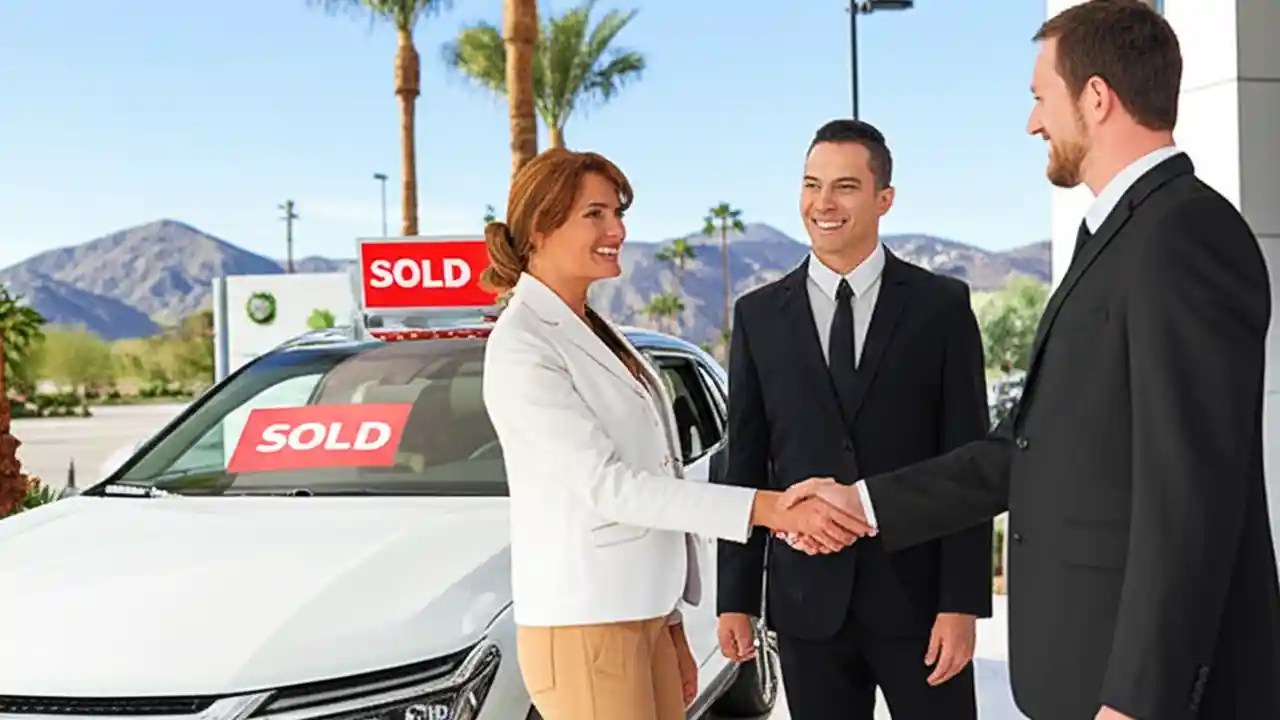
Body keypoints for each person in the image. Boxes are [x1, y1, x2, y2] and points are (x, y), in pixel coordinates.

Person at [784, 2, 1280, 719]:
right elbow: (1027, 449)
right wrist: (861, 502)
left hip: (1138, 697)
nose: (1032, 123)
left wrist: (1137, 700)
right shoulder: (1123, 236)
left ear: (1097, 98)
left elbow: (1191, 497)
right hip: (1088, 677)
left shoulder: (1183, 237)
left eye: (1041, 97)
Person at [479, 147, 869, 720]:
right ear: (540, 226)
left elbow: (655, 468)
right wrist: (770, 508)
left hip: (640, 614)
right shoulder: (523, 344)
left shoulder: (592, 327)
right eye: (595, 214)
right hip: (586, 625)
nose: (617, 230)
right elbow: (610, 487)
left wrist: (670, 623)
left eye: (617, 213)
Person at [714, 118, 993, 720]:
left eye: (844, 186)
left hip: (920, 604)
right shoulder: (758, 317)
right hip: (806, 605)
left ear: (883, 198)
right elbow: (746, 464)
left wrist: (961, 604)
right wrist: (734, 597)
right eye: (811, 185)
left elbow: (969, 460)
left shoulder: (942, 307)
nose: (823, 203)